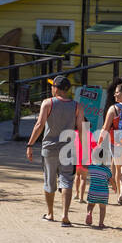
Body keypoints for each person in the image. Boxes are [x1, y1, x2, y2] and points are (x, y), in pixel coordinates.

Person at [26, 74, 84, 227]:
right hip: (68, 149)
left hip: (49, 147)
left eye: (52, 86)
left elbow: (39, 125)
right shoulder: (77, 106)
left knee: (49, 181)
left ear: (56, 89)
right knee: (66, 181)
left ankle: (50, 213)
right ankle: (65, 216)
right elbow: (81, 128)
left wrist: (30, 144)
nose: (51, 88)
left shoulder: (48, 103)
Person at [85, 149, 111, 227]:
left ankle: (89, 213)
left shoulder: (91, 167)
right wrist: (115, 186)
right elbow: (111, 180)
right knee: (102, 208)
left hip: (93, 191)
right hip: (103, 192)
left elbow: (84, 166)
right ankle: (101, 223)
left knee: (90, 205)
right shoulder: (107, 169)